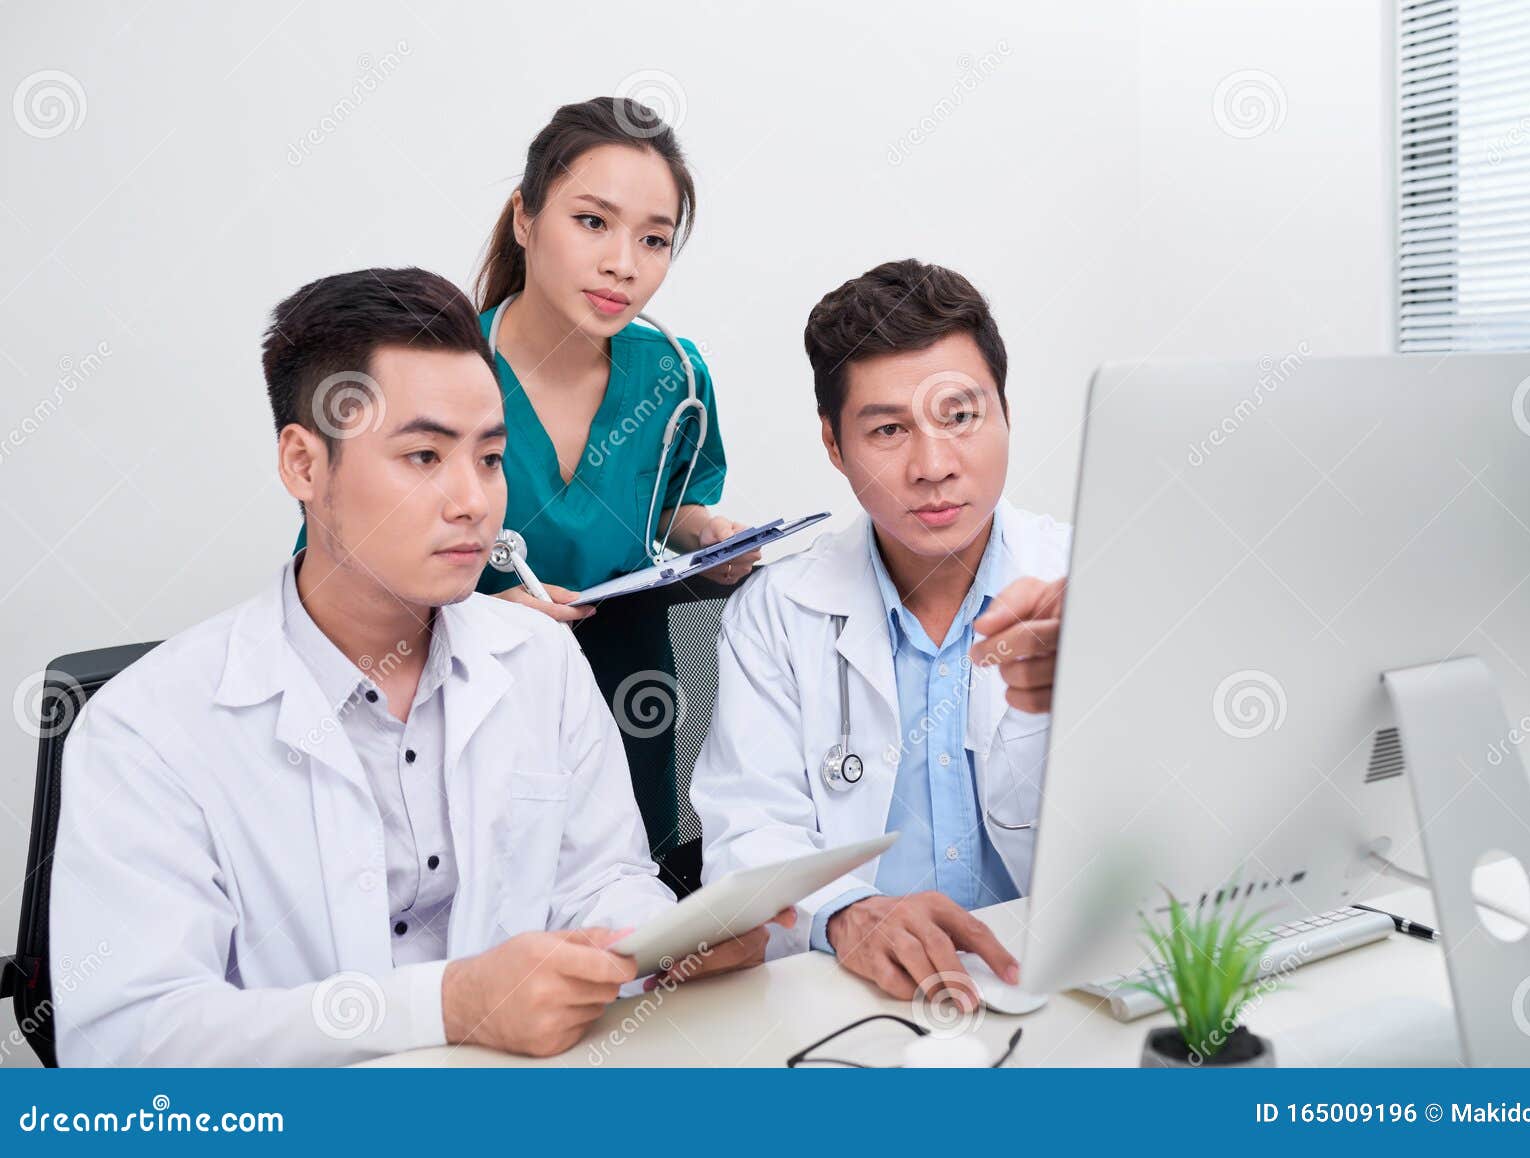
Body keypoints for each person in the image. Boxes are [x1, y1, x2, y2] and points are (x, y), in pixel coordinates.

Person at [50, 268, 787, 1066]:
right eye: (424, 456)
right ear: (303, 464)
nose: (472, 500)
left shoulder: (540, 658)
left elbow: (599, 880)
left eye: (492, 457)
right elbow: (126, 1044)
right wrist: (447, 1005)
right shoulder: (146, 729)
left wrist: (663, 944)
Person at [691, 259, 1068, 1007]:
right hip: (857, 994)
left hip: (1051, 975)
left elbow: (1176, 811)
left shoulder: (1086, 580)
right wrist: (846, 916)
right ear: (834, 445)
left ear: (1005, 413)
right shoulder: (777, 609)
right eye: (890, 430)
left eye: (961, 417)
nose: (933, 467)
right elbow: (747, 831)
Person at [471, 96, 759, 852]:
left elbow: (669, 501)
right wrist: (482, 616)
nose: (622, 265)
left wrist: (708, 533)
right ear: (525, 219)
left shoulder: (674, 374)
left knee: (635, 913)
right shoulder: (436, 372)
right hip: (469, 697)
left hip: (629, 692)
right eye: (592, 221)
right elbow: (343, 571)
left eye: (654, 239)